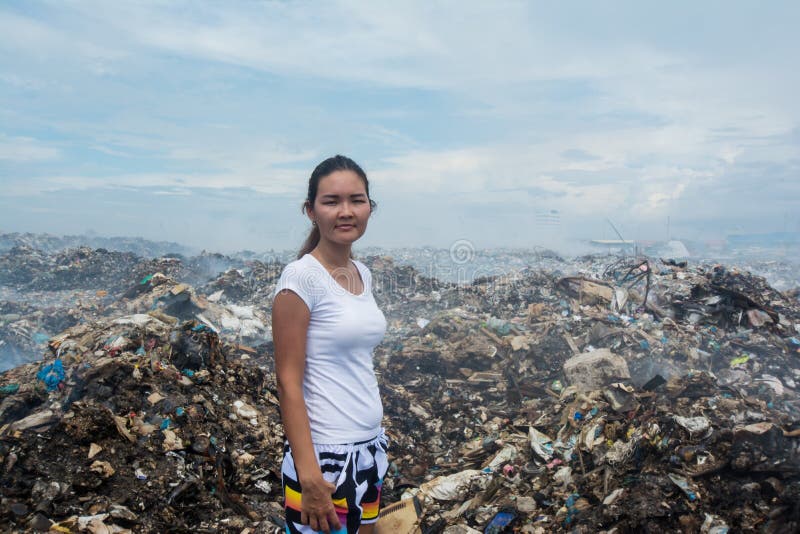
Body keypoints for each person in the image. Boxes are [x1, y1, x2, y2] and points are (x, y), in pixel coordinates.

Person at [272, 155, 388, 534]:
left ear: (370, 206)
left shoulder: (362, 273)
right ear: (310, 210)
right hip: (326, 460)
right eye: (331, 201)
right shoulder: (301, 278)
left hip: (368, 450)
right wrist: (309, 477)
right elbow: (288, 381)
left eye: (356, 200)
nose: (346, 211)